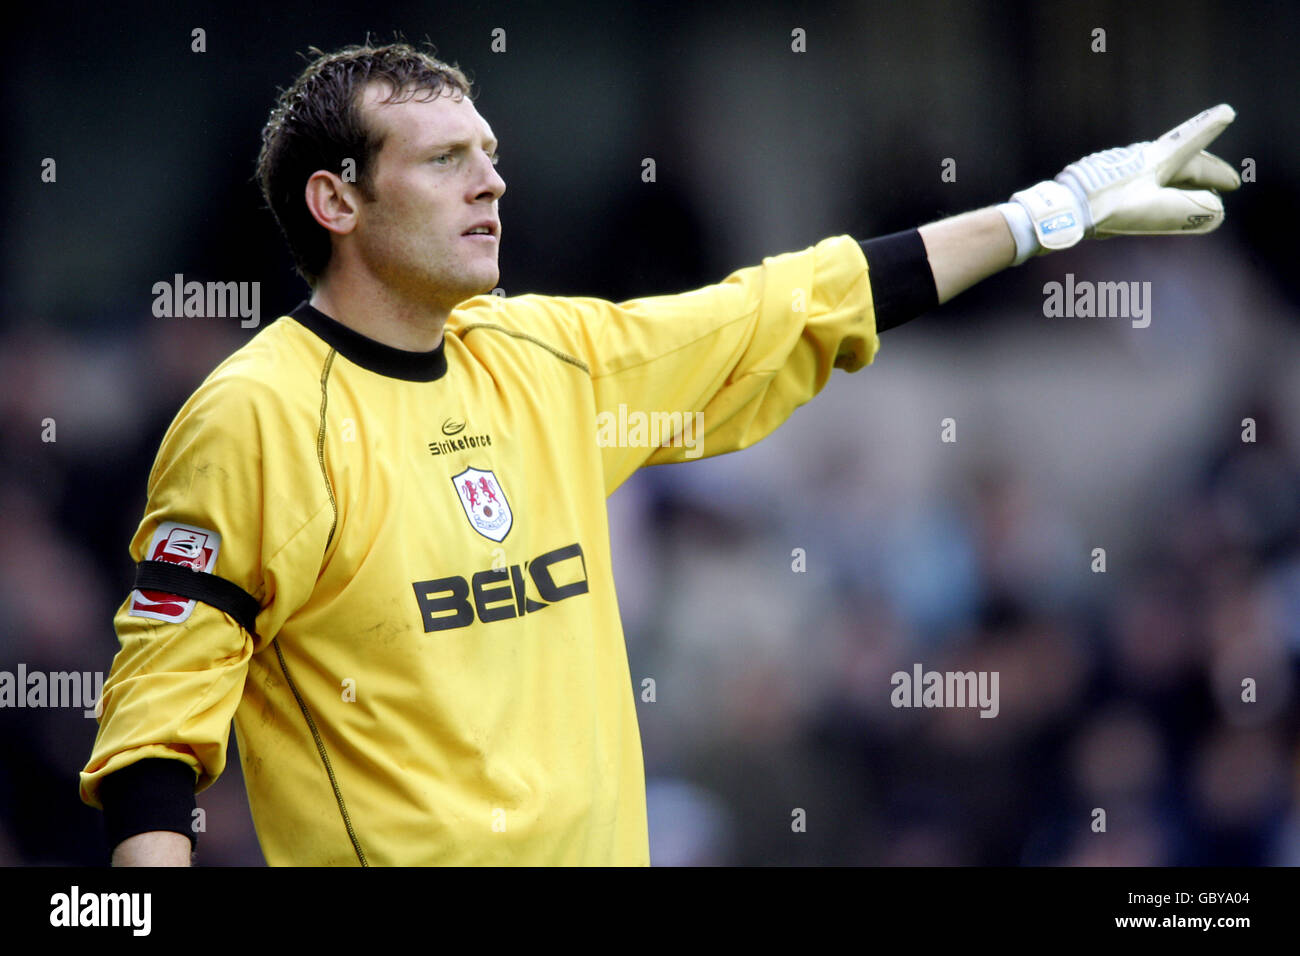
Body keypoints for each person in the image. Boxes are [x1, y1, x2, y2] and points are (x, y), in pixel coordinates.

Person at [79, 41, 1240, 866]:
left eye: (488, 150)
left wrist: (1048, 214)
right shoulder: (256, 415)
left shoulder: (544, 355)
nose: (490, 178)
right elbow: (157, 720)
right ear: (336, 199)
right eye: (441, 159)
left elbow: (790, 305)